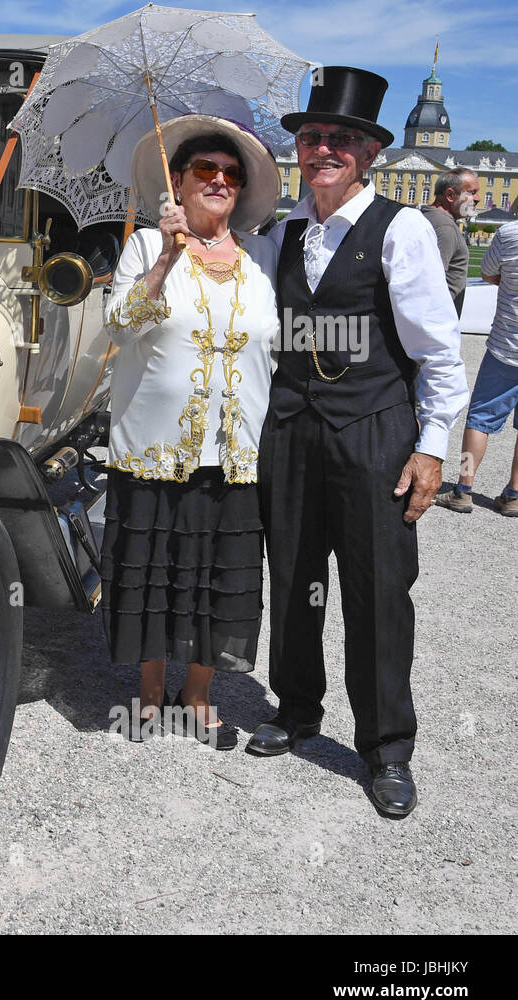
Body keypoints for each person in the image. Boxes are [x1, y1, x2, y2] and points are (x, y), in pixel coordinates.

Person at [249, 68, 468, 817]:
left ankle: (386, 748)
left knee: (377, 593)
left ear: (372, 152)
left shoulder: (401, 230)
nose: (325, 149)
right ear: (300, 152)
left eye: (342, 139)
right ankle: (296, 706)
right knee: (295, 577)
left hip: (374, 432)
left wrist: (432, 448)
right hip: (292, 433)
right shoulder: (279, 234)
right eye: (313, 138)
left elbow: (439, 355)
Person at [100, 114, 282, 749]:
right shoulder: (148, 248)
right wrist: (169, 257)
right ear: (176, 183)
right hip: (154, 450)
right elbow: (119, 328)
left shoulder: (263, 258)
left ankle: (198, 694)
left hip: (236, 452)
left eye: (230, 174)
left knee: (217, 575)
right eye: (204, 170)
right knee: (153, 570)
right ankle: (151, 692)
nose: (219, 181)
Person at [436, 213, 518, 516]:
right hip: (506, 344)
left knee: (479, 419)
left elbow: (487, 272)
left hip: (505, 346)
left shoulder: (509, 233)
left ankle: (464, 486)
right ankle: (514, 492)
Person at [422, 170, 479, 315]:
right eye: (471, 193)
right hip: (437, 319)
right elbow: (430, 282)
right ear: (450, 195)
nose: (478, 198)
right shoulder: (445, 227)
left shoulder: (427, 216)